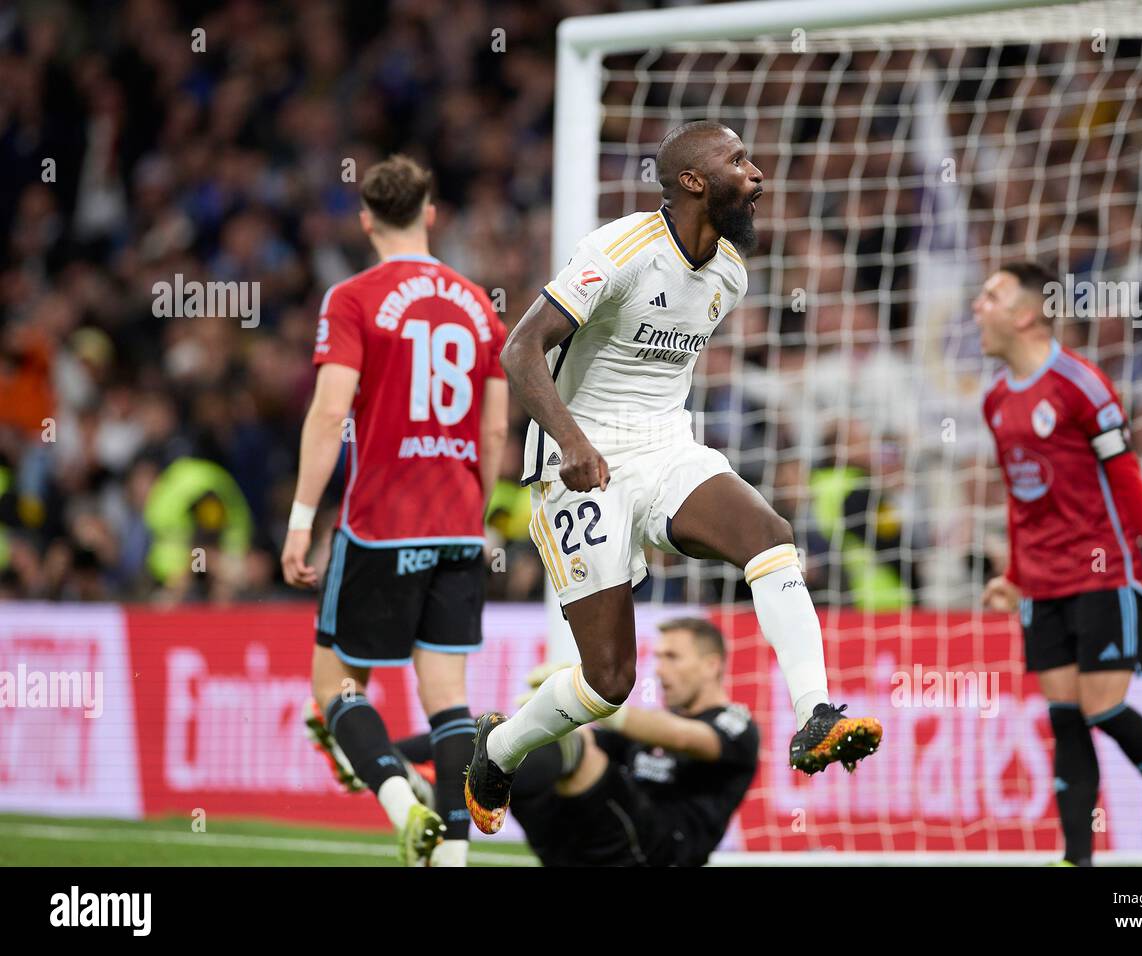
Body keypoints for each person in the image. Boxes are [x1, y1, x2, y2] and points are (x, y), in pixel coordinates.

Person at [465, 121, 881, 836]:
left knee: (769, 535)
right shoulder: (618, 251)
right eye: (738, 161)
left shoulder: (730, 273)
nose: (756, 176)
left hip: (666, 447)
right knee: (607, 684)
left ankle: (816, 712)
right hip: (579, 467)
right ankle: (497, 749)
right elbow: (520, 347)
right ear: (692, 181)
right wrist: (571, 440)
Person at [281, 155, 509, 866]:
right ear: (431, 213)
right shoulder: (478, 302)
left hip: (380, 525)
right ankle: (454, 858)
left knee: (336, 688)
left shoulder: (351, 298)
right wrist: (479, 504)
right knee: (448, 700)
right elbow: (496, 429)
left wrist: (299, 519)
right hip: (457, 524)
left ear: (366, 219)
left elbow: (327, 415)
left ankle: (400, 803)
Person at [974, 261, 1142, 866]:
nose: (977, 306)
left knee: (1102, 706)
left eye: (991, 296)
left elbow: (1127, 477)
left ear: (1026, 315)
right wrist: (1014, 576)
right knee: (1065, 717)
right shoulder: (996, 400)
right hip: (1044, 586)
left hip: (1104, 573)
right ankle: (1075, 859)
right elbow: (1019, 496)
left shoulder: (1081, 384)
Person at [511, 617, 759, 867]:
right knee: (553, 743)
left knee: (578, 754)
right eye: (659, 657)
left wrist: (594, 702)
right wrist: (558, 716)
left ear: (711, 665)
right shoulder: (655, 726)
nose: (659, 669)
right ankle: (492, 756)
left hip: (662, 850)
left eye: (672, 657)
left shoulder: (736, 724)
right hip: (611, 841)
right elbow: (602, 739)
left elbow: (684, 737)